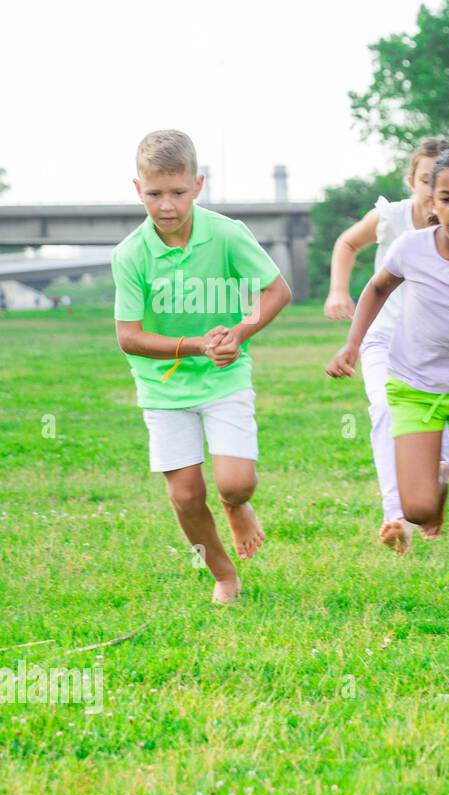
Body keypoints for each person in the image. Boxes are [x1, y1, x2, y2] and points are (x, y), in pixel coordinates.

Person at [327, 146, 449, 607]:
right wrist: (352, 345)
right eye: (447, 198)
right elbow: (376, 289)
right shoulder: (410, 248)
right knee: (418, 510)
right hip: (414, 388)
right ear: (432, 202)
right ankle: (436, 486)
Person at [112, 129, 292, 603]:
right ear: (138, 190)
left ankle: (237, 506)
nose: (166, 205)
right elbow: (128, 337)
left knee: (236, 482)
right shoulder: (130, 255)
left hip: (224, 378)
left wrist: (238, 334)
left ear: (198, 185)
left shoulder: (228, 235)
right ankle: (224, 575)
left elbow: (277, 292)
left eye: (177, 192)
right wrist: (196, 345)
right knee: (187, 496)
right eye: (154, 194)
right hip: (163, 388)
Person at [324, 137, 449, 553]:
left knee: (439, 453)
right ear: (410, 180)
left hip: (437, 344)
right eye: (424, 179)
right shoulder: (390, 216)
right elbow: (347, 242)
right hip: (382, 335)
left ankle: (436, 490)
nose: (432, 190)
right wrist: (338, 292)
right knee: (384, 408)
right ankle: (395, 517)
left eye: (441, 182)